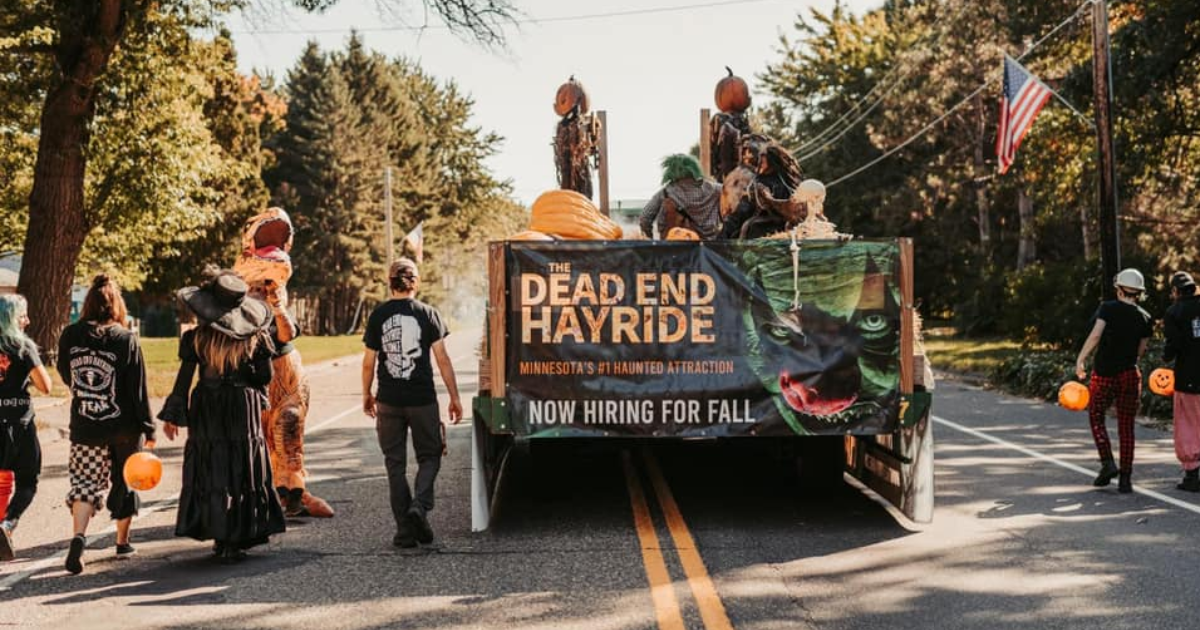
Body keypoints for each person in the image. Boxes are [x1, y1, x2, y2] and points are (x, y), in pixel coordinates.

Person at [159, 270, 285, 563]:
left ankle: (219, 533)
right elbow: (264, 376)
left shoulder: (196, 339)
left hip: (207, 405)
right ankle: (238, 534)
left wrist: (174, 414)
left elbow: (184, 378)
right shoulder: (256, 338)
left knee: (212, 467)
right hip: (243, 404)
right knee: (241, 467)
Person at [56, 275, 155, 574]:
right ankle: (122, 542)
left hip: (86, 425)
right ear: (117, 305)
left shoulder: (70, 335)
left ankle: (78, 537)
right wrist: (148, 427)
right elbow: (138, 388)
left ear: (87, 303)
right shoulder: (126, 338)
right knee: (126, 481)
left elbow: (65, 372)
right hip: (125, 427)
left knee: (85, 482)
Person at [362, 258, 462, 548]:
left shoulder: (378, 315)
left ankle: (405, 531)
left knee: (395, 465)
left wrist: (366, 394)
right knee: (430, 456)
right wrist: (454, 396)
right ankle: (419, 506)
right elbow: (442, 359)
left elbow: (368, 363)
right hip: (422, 399)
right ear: (415, 282)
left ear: (389, 282)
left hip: (389, 400)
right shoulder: (428, 313)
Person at [1074, 268, 1153, 494]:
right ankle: (1125, 479)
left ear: (1119, 289)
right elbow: (1141, 350)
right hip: (1129, 374)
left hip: (1104, 374)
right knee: (1126, 426)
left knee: (1096, 415)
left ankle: (1108, 462)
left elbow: (1096, 335)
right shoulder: (1145, 317)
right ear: (1138, 292)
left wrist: (1081, 359)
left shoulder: (1107, 308)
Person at [0, 294, 52, 561]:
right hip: (19, 423)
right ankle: (7, 523)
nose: (28, 320)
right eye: (23, 316)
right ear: (12, 318)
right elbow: (46, 386)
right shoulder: (24, 348)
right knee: (27, 481)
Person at [1163, 271, 1200, 492]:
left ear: (1176, 291)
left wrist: (1165, 356)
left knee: (1188, 424)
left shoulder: (1173, 312)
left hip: (1188, 377)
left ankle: (1192, 474)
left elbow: (1172, 345)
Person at [639, 154, 723, 240]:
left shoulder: (666, 192)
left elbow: (644, 218)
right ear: (695, 169)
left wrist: (650, 239)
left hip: (676, 248)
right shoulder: (716, 189)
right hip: (710, 248)